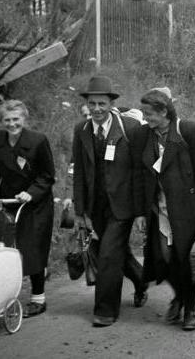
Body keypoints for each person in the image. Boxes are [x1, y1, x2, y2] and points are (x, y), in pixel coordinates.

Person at [130, 88, 195, 331]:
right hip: (158, 210)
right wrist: (139, 212)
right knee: (163, 259)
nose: (146, 118)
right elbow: (139, 176)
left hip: (187, 209)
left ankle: (189, 308)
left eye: (150, 113)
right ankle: (180, 295)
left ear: (164, 111)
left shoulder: (188, 130)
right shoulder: (142, 135)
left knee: (187, 260)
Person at [72, 76, 147, 327]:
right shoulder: (81, 130)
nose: (96, 109)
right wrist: (80, 210)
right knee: (116, 254)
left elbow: (139, 171)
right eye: (92, 104)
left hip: (122, 206)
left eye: (101, 104)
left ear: (111, 103)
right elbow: (80, 172)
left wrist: (140, 211)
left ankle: (105, 310)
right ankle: (140, 279)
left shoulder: (130, 128)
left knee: (107, 256)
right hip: (96, 206)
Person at [0, 100, 55, 318]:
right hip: (8, 200)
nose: (12, 124)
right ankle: (3, 293)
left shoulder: (38, 141)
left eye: (16, 119)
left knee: (32, 246)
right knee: (5, 247)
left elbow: (48, 175)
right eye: (7, 120)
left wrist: (31, 192)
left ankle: (38, 298)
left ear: (24, 118)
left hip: (36, 202)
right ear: (1, 121)